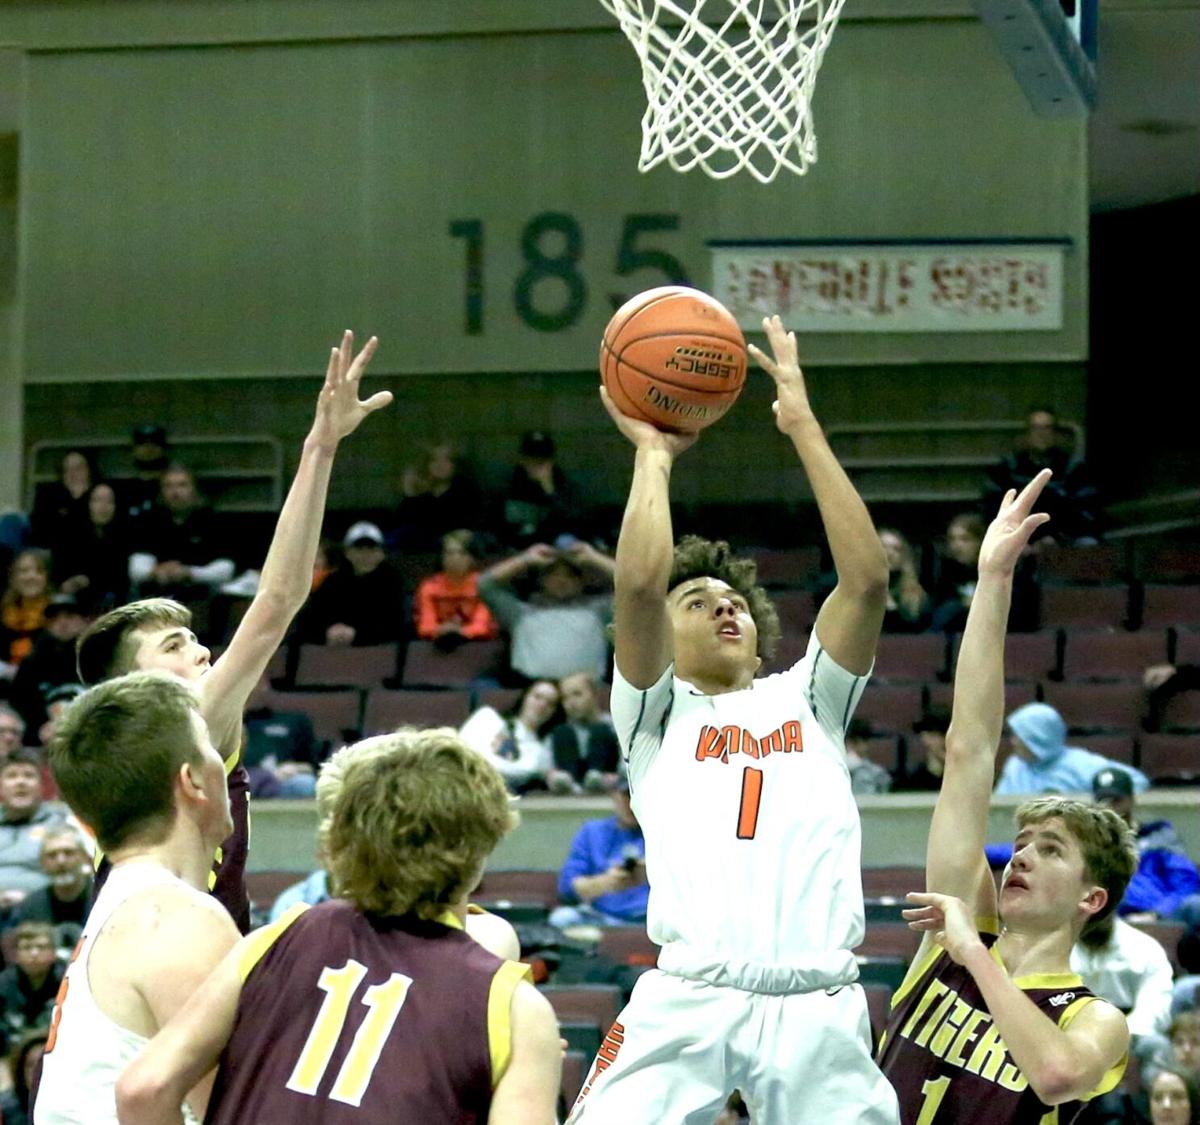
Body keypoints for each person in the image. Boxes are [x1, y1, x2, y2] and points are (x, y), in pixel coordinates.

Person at [567, 316, 899, 1123]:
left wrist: (803, 427)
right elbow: (637, 586)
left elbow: (866, 582)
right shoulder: (654, 713)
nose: (724, 607)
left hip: (819, 999)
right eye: (697, 600)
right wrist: (653, 455)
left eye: (735, 602)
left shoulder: (810, 698)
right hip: (690, 993)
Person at [75, 331, 391, 932]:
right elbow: (277, 600)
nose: (201, 650)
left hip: (127, 944)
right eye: (173, 645)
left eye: (193, 637)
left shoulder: (108, 759)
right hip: (172, 953)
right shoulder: (186, 721)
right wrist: (320, 447)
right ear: (132, 683)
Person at [116, 727, 562, 1124]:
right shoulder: (513, 1008)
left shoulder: (281, 935)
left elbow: (143, 1090)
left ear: (340, 838)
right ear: (483, 843)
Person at [877, 471, 1138, 1123]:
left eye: (1051, 850)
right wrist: (993, 579)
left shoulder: (1095, 1018)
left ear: (1091, 897)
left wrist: (971, 951)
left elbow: (1055, 1075)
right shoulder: (958, 930)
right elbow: (969, 747)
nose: (1020, 856)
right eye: (1022, 843)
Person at [35, 671, 239, 1122]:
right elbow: (239, 1112)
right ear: (193, 781)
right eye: (209, 747)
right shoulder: (177, 921)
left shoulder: (128, 903)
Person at [479, 542, 615, 684]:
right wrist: (526, 559)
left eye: (570, 576)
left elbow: (629, 587)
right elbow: (485, 585)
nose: (561, 581)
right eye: (553, 574)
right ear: (542, 581)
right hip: (531, 689)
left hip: (586, 690)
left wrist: (593, 557)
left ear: (581, 582)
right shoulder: (518, 612)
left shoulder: (601, 611)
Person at [1090, 766, 1200, 924]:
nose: (1110, 808)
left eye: (1116, 800)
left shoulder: (1159, 836)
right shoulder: (1090, 844)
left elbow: (1185, 882)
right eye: (1103, 801)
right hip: (1112, 921)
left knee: (1195, 905)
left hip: (1164, 916)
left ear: (1131, 799)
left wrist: (1157, 913)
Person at [983, 408, 1103, 547]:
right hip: (1016, 538)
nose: (1041, 434)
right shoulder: (1007, 468)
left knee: (1088, 543)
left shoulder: (1074, 468)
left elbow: (1087, 511)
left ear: (1056, 434)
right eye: (1036, 428)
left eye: (1047, 428)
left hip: (1064, 538)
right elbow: (991, 509)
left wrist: (1057, 537)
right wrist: (1018, 540)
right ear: (1026, 434)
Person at [550, 777, 648, 932]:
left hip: (649, 920)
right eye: (626, 795)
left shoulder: (663, 832)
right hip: (601, 917)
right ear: (614, 796)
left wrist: (651, 874)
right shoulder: (592, 832)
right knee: (562, 918)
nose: (631, 803)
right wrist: (605, 883)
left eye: (637, 795)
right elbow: (567, 887)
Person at [127, 463, 235, 600]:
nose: (175, 492)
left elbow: (226, 569)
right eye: (168, 486)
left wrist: (189, 573)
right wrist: (155, 572)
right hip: (155, 598)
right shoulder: (149, 521)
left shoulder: (213, 522)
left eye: (182, 485)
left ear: (195, 490)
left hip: (201, 598)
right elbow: (136, 567)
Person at [993, 703, 1151, 797]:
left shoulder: (1081, 763)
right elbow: (999, 806)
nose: (1013, 741)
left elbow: (1137, 782)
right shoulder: (1015, 766)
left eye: (1019, 736)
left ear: (1038, 737)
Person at [300, 520, 407, 646]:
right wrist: (327, 632)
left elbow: (394, 625)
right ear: (347, 552)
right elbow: (310, 620)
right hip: (331, 653)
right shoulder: (333, 583)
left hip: (380, 653)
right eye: (359, 548)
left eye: (371, 548)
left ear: (381, 553)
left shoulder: (392, 583)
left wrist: (357, 634)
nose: (365, 555)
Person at [9, 593, 89, 740]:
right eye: (54, 618)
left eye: (69, 616)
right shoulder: (32, 663)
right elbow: (20, 705)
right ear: (47, 625)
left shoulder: (102, 657)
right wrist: (39, 730)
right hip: (46, 740)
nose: (62, 622)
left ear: (84, 620)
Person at [459, 679, 561, 794]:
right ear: (525, 698)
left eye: (550, 703)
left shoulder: (541, 753)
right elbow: (460, 753)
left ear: (554, 713)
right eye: (537, 697)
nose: (542, 705)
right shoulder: (487, 718)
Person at [51, 481, 133, 610]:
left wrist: (88, 581)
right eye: (97, 500)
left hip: (114, 603)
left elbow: (120, 579)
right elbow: (59, 575)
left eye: (109, 501)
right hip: (74, 602)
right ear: (88, 503)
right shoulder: (68, 535)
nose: (103, 506)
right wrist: (70, 583)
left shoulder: (125, 535)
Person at [12, 826, 94, 951]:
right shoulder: (32, 906)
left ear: (84, 857)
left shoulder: (104, 897)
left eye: (68, 853)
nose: (61, 861)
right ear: (42, 862)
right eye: (52, 855)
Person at [393, 441, 485, 551]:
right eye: (434, 460)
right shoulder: (422, 495)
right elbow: (403, 524)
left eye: (447, 460)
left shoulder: (467, 490)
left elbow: (467, 525)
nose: (440, 465)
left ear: (455, 465)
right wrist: (409, 492)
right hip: (424, 549)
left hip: (458, 547)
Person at [413, 528, 498, 646]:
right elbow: (426, 626)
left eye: (462, 553)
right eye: (449, 553)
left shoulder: (484, 585)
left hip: (479, 646)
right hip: (438, 645)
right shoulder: (429, 587)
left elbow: (482, 626)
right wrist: (442, 631)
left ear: (473, 558)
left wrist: (459, 631)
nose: (454, 558)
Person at [0, 749, 64, 903]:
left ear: (42, 786)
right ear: (1, 787)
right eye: (11, 776)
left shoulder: (60, 820)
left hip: (45, 906)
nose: (20, 782)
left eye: (29, 775)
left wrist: (31, 900)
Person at [501, 429, 584, 548]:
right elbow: (498, 525)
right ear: (522, 459)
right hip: (519, 548)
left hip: (551, 548)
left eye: (542, 460)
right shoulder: (510, 485)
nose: (537, 465)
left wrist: (550, 490)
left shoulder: (563, 485)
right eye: (531, 458)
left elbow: (574, 526)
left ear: (551, 461)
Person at [548, 672, 620, 795]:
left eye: (577, 694)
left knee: (600, 731)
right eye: (565, 698)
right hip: (567, 795)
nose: (571, 703)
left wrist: (616, 777)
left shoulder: (614, 727)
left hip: (608, 792)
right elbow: (547, 765)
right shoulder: (560, 733)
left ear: (594, 694)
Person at [0, 921, 63, 1059]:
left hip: (58, 1055)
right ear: (16, 954)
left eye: (41, 947)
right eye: (27, 947)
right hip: (11, 1056)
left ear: (54, 952)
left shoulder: (67, 983)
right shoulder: (3, 985)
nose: (34, 953)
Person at [29, 450, 96, 549]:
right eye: (66, 470)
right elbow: (40, 532)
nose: (72, 474)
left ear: (89, 471)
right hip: (52, 548)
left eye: (78, 469)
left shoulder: (101, 494)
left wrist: (79, 499)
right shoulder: (48, 495)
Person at [0, 550, 52, 672]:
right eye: (24, 571)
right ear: (13, 577)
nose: (31, 576)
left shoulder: (59, 614)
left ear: (47, 577)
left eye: (39, 571)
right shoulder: (2, 611)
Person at [879, 528, 931, 634]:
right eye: (883, 547)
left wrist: (891, 607)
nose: (889, 553)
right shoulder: (859, 589)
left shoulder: (916, 594)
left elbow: (916, 631)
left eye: (896, 549)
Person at [897, 707, 950, 792]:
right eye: (936, 735)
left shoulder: (964, 778)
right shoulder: (912, 783)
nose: (945, 741)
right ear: (925, 737)